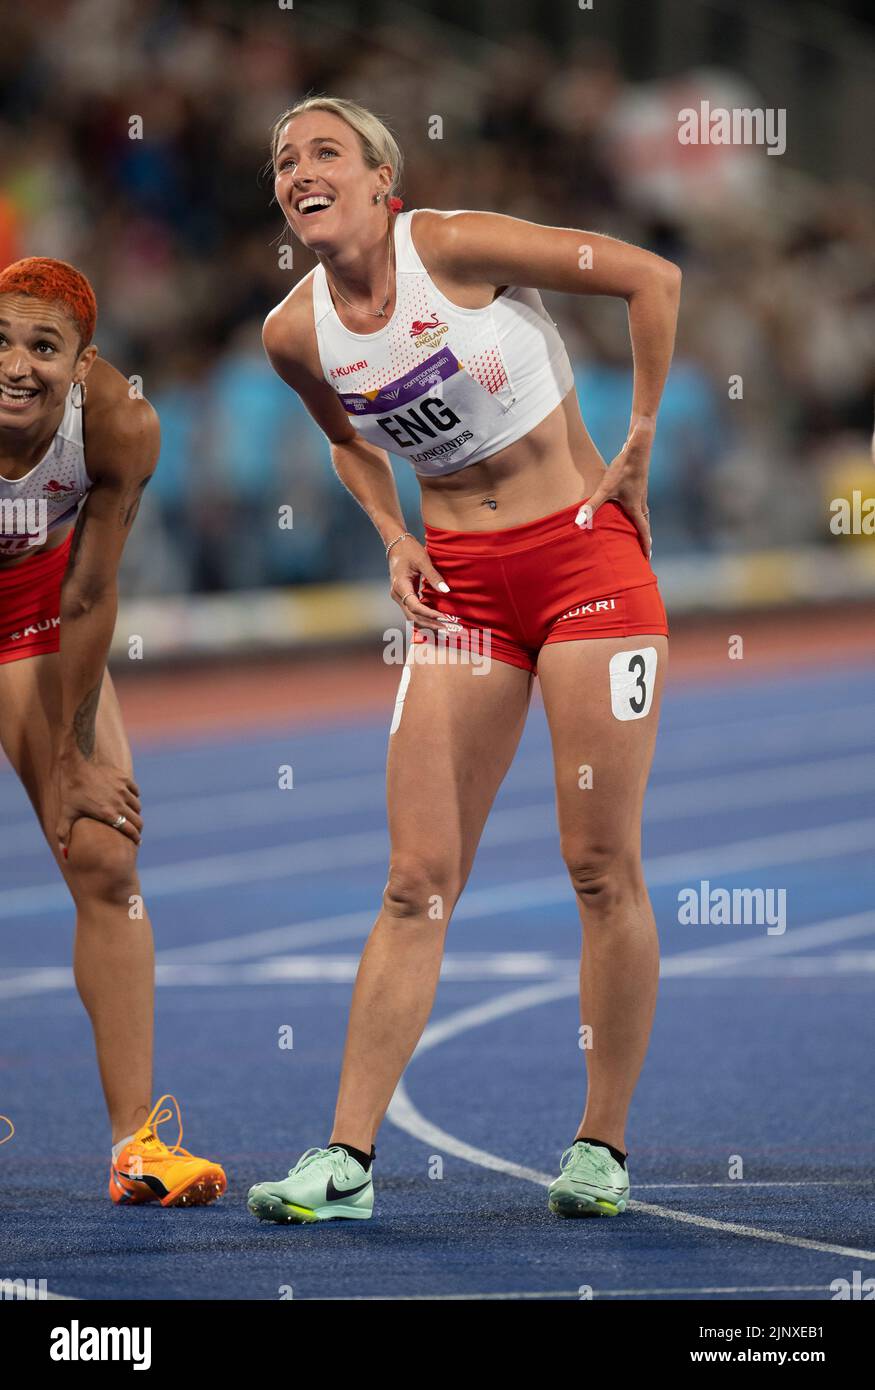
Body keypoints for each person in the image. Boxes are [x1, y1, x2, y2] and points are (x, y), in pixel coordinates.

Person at [248, 96, 680, 1224]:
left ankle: (601, 1144)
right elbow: (346, 440)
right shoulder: (292, 335)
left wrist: (635, 442)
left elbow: (651, 279)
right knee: (412, 879)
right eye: (284, 160)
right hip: (460, 591)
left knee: (598, 864)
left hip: (586, 565)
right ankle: (343, 1159)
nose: (300, 169)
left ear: (380, 179)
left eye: (324, 151)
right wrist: (391, 534)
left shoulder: (447, 244)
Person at [0, 257, 226, 1206]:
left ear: (84, 359)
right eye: (1, 341)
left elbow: (91, 594)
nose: (16, 365)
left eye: (43, 348)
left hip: (31, 605)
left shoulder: (120, 424)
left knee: (103, 857)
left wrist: (70, 754)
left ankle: (136, 1147)